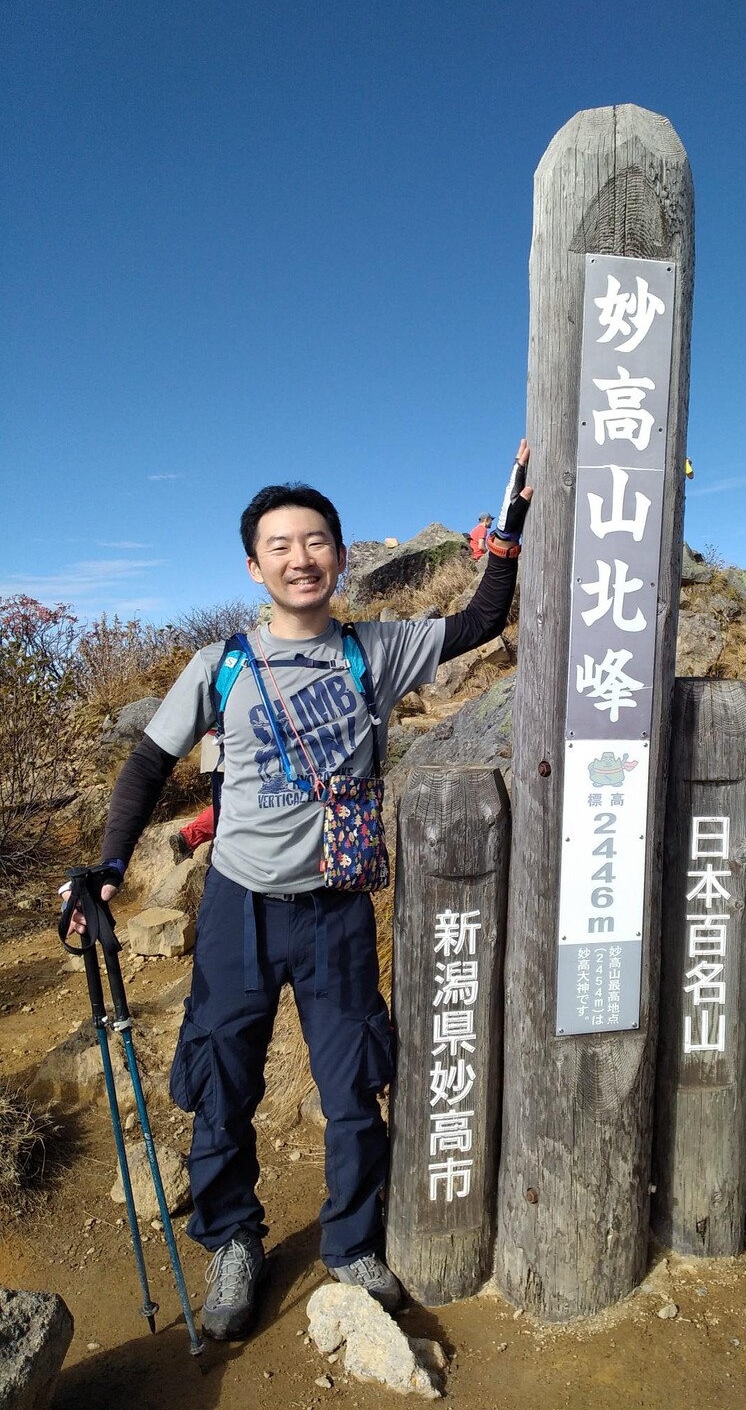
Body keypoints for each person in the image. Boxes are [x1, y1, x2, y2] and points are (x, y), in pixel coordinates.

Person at [64, 442, 531, 1341]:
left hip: (337, 912)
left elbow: (478, 620)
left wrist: (507, 527)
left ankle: (353, 1241)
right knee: (222, 1078)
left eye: (316, 541)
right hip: (238, 906)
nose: (300, 557)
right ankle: (234, 1239)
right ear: (254, 565)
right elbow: (149, 762)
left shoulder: (375, 652)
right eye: (280, 545)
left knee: (355, 1082)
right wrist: (112, 868)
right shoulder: (221, 665)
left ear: (341, 555)